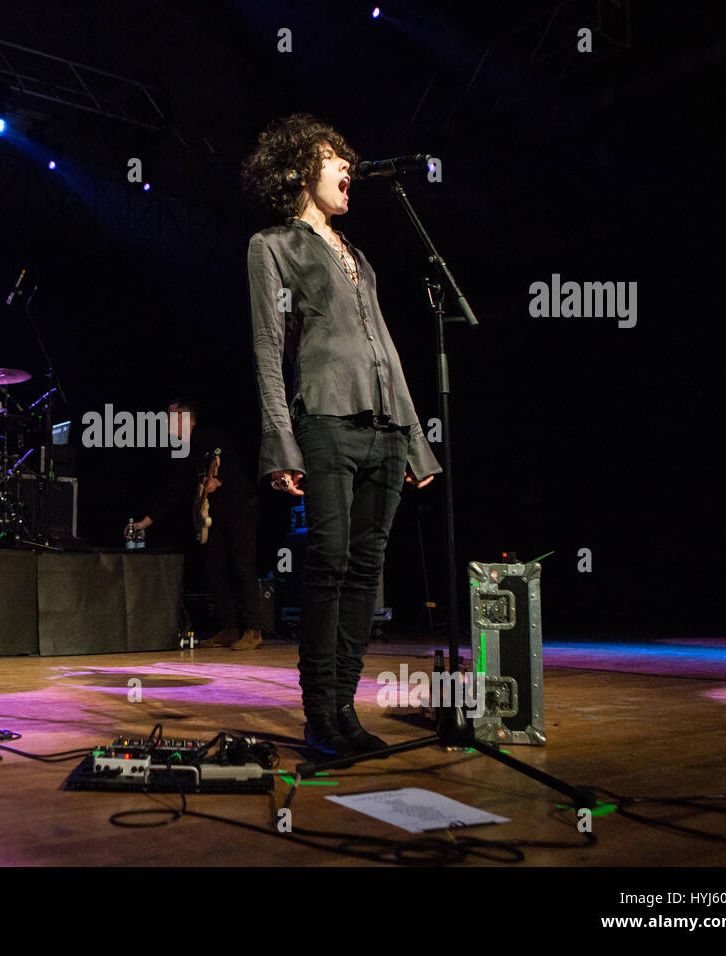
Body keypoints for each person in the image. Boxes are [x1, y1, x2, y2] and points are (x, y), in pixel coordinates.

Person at [242, 114, 440, 757]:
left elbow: (387, 348)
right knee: (327, 567)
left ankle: (346, 708)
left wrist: (415, 439)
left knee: (366, 572)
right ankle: (319, 713)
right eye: (334, 158)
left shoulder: (360, 257)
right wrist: (281, 443)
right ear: (301, 169)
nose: (347, 168)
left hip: (385, 429)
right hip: (324, 422)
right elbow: (269, 352)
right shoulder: (272, 245)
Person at [130, 400, 264, 650]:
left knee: (242, 567)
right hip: (212, 515)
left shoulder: (208, 436)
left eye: (170, 417)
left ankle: (254, 630)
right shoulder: (184, 451)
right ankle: (229, 628)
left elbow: (227, 458)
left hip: (239, 508)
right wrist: (145, 523)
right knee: (214, 569)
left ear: (186, 419)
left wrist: (218, 480)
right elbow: (174, 491)